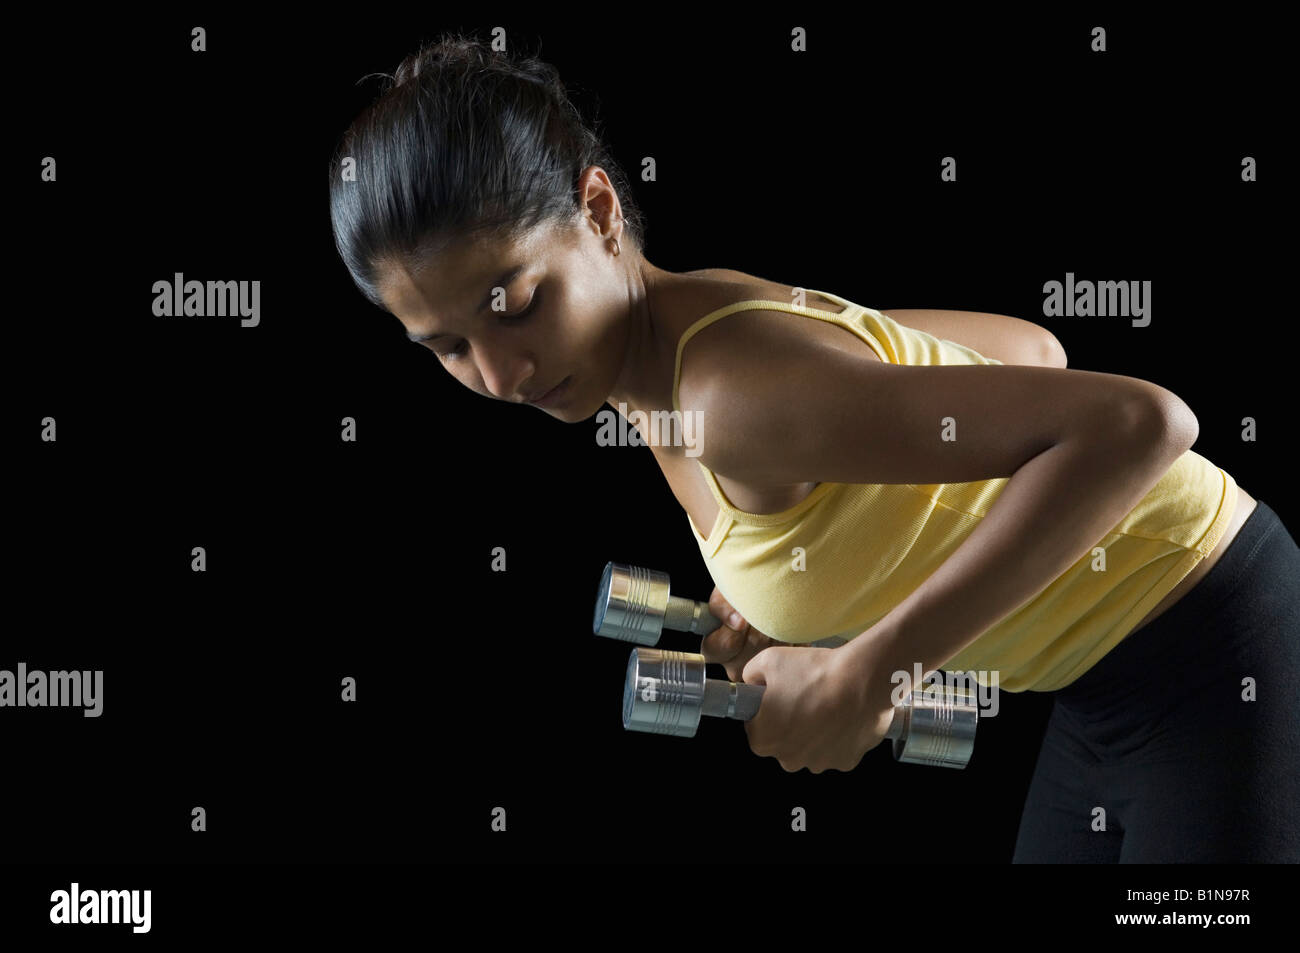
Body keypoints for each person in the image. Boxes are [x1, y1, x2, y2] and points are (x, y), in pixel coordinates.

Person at [328, 34, 1300, 862]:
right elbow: (1030, 353)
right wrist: (816, 576)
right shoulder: (670, 352)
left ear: (597, 209)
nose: (499, 375)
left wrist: (872, 670)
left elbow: (1139, 422)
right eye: (448, 346)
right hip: (1097, 691)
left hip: (1212, 651)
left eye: (519, 303)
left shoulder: (728, 389)